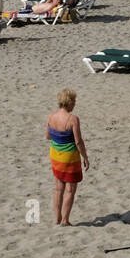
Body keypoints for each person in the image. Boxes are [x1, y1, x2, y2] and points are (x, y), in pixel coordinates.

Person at [47, 89, 89, 226]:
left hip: (55, 156)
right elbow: (78, 141)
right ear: (69, 102)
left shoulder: (51, 117)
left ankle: (57, 218)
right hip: (69, 159)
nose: (75, 104)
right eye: (74, 101)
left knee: (59, 188)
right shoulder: (73, 119)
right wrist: (85, 157)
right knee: (70, 189)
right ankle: (65, 220)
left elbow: (48, 136)